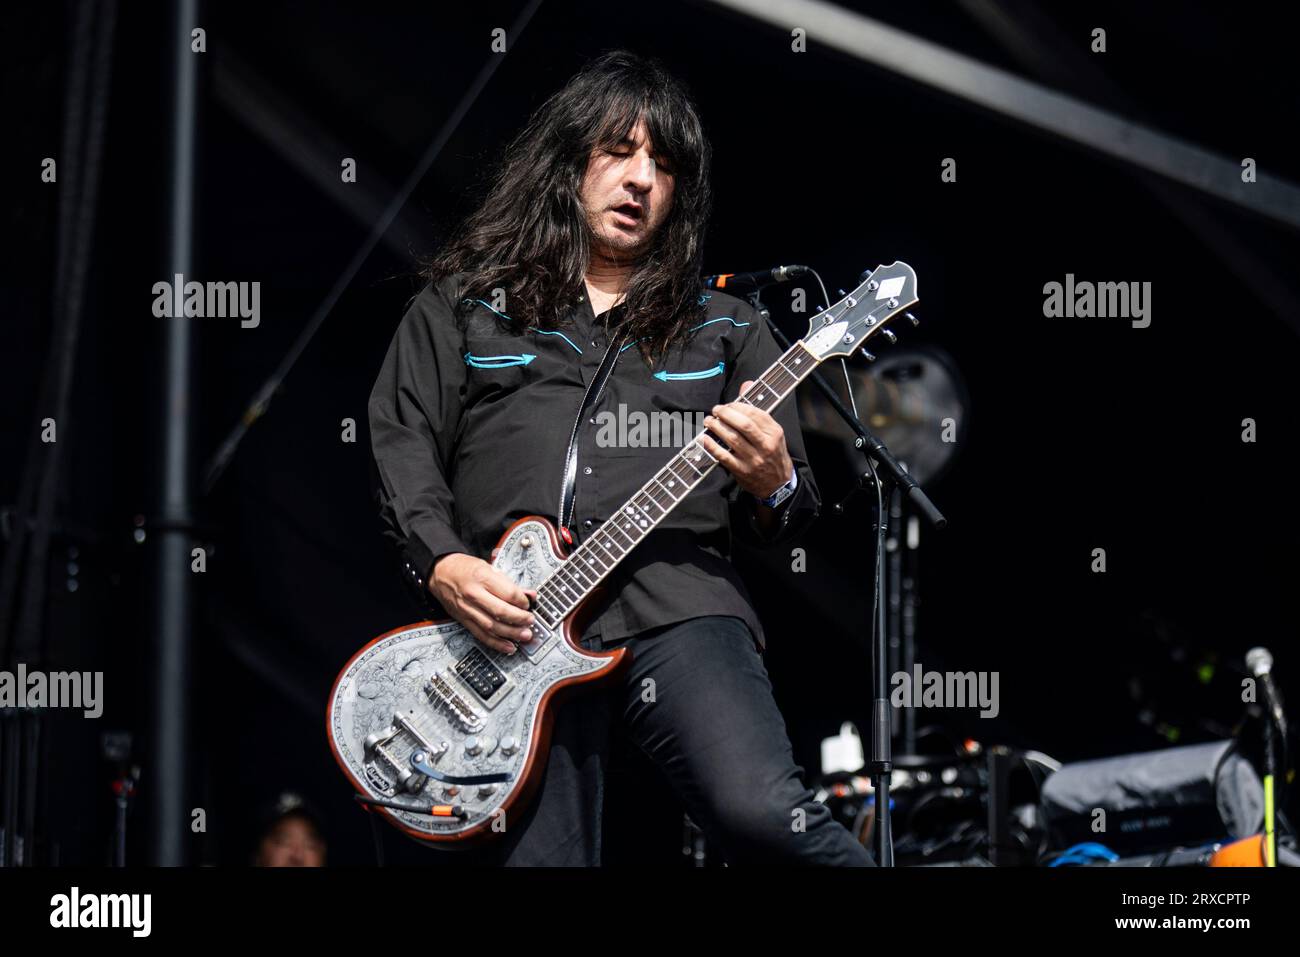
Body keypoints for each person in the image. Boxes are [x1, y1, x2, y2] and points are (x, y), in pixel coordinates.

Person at [368, 50, 875, 866]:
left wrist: (774, 478)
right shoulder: (467, 305)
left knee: (760, 813)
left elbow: (789, 510)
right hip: (510, 623)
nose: (641, 178)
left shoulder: (727, 326)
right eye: (618, 150)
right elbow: (400, 437)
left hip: (676, 600)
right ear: (569, 161)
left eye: (664, 164)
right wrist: (445, 562)